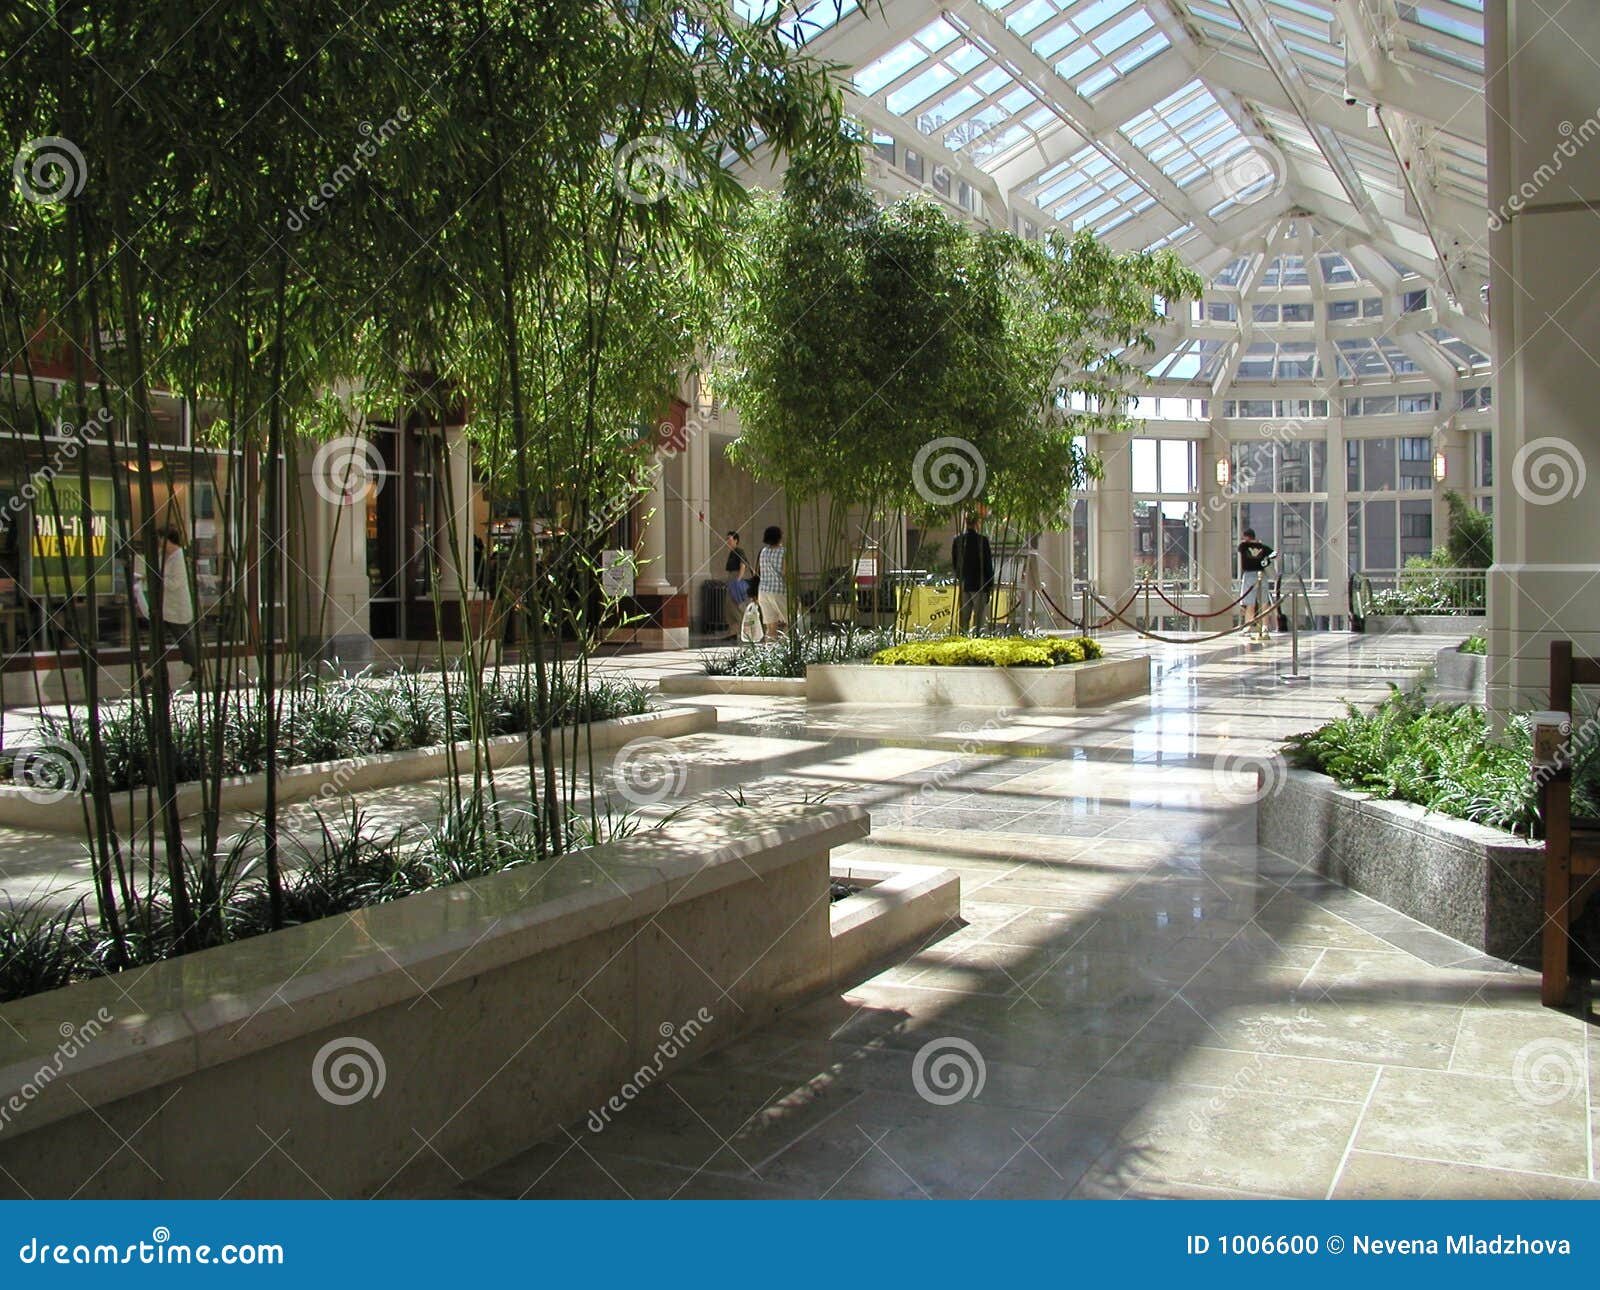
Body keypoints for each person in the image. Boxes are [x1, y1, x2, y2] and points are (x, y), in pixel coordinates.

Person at [134, 526, 201, 689]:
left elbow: (175, 583)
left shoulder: (179, 557)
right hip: (164, 607)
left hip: (176, 606)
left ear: (169, 541)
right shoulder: (166, 556)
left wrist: (154, 578)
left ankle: (197, 668)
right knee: (157, 638)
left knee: (183, 639)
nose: (160, 544)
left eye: (162, 540)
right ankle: (150, 672)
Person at [951, 513, 994, 636]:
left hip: (965, 582)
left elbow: (955, 562)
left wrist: (960, 577)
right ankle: (977, 639)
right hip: (979, 583)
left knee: (964, 616)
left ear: (965, 522)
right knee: (978, 618)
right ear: (977, 523)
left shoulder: (958, 540)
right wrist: (990, 583)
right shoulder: (982, 540)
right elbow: (987, 563)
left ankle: (963, 639)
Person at [1237, 527, 1275, 640]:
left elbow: (1241, 547)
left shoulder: (1243, 546)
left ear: (1246, 537)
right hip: (1261, 574)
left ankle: (1248, 626)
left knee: (1250, 603)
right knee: (1264, 602)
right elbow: (1274, 554)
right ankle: (1265, 627)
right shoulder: (1262, 547)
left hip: (1249, 575)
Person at [757, 525, 788, 641]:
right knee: (790, 621)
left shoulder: (763, 552)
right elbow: (786, 572)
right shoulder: (784, 552)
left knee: (770, 627)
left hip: (763, 591)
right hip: (779, 590)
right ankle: (786, 648)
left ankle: (770, 653)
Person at [723, 530, 753, 639]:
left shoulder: (738, 551)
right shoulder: (732, 553)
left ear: (736, 540)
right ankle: (733, 631)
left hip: (736, 580)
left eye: (730, 540)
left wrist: (738, 581)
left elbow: (743, 565)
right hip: (732, 579)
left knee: (735, 606)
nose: (727, 542)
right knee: (729, 606)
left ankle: (742, 630)